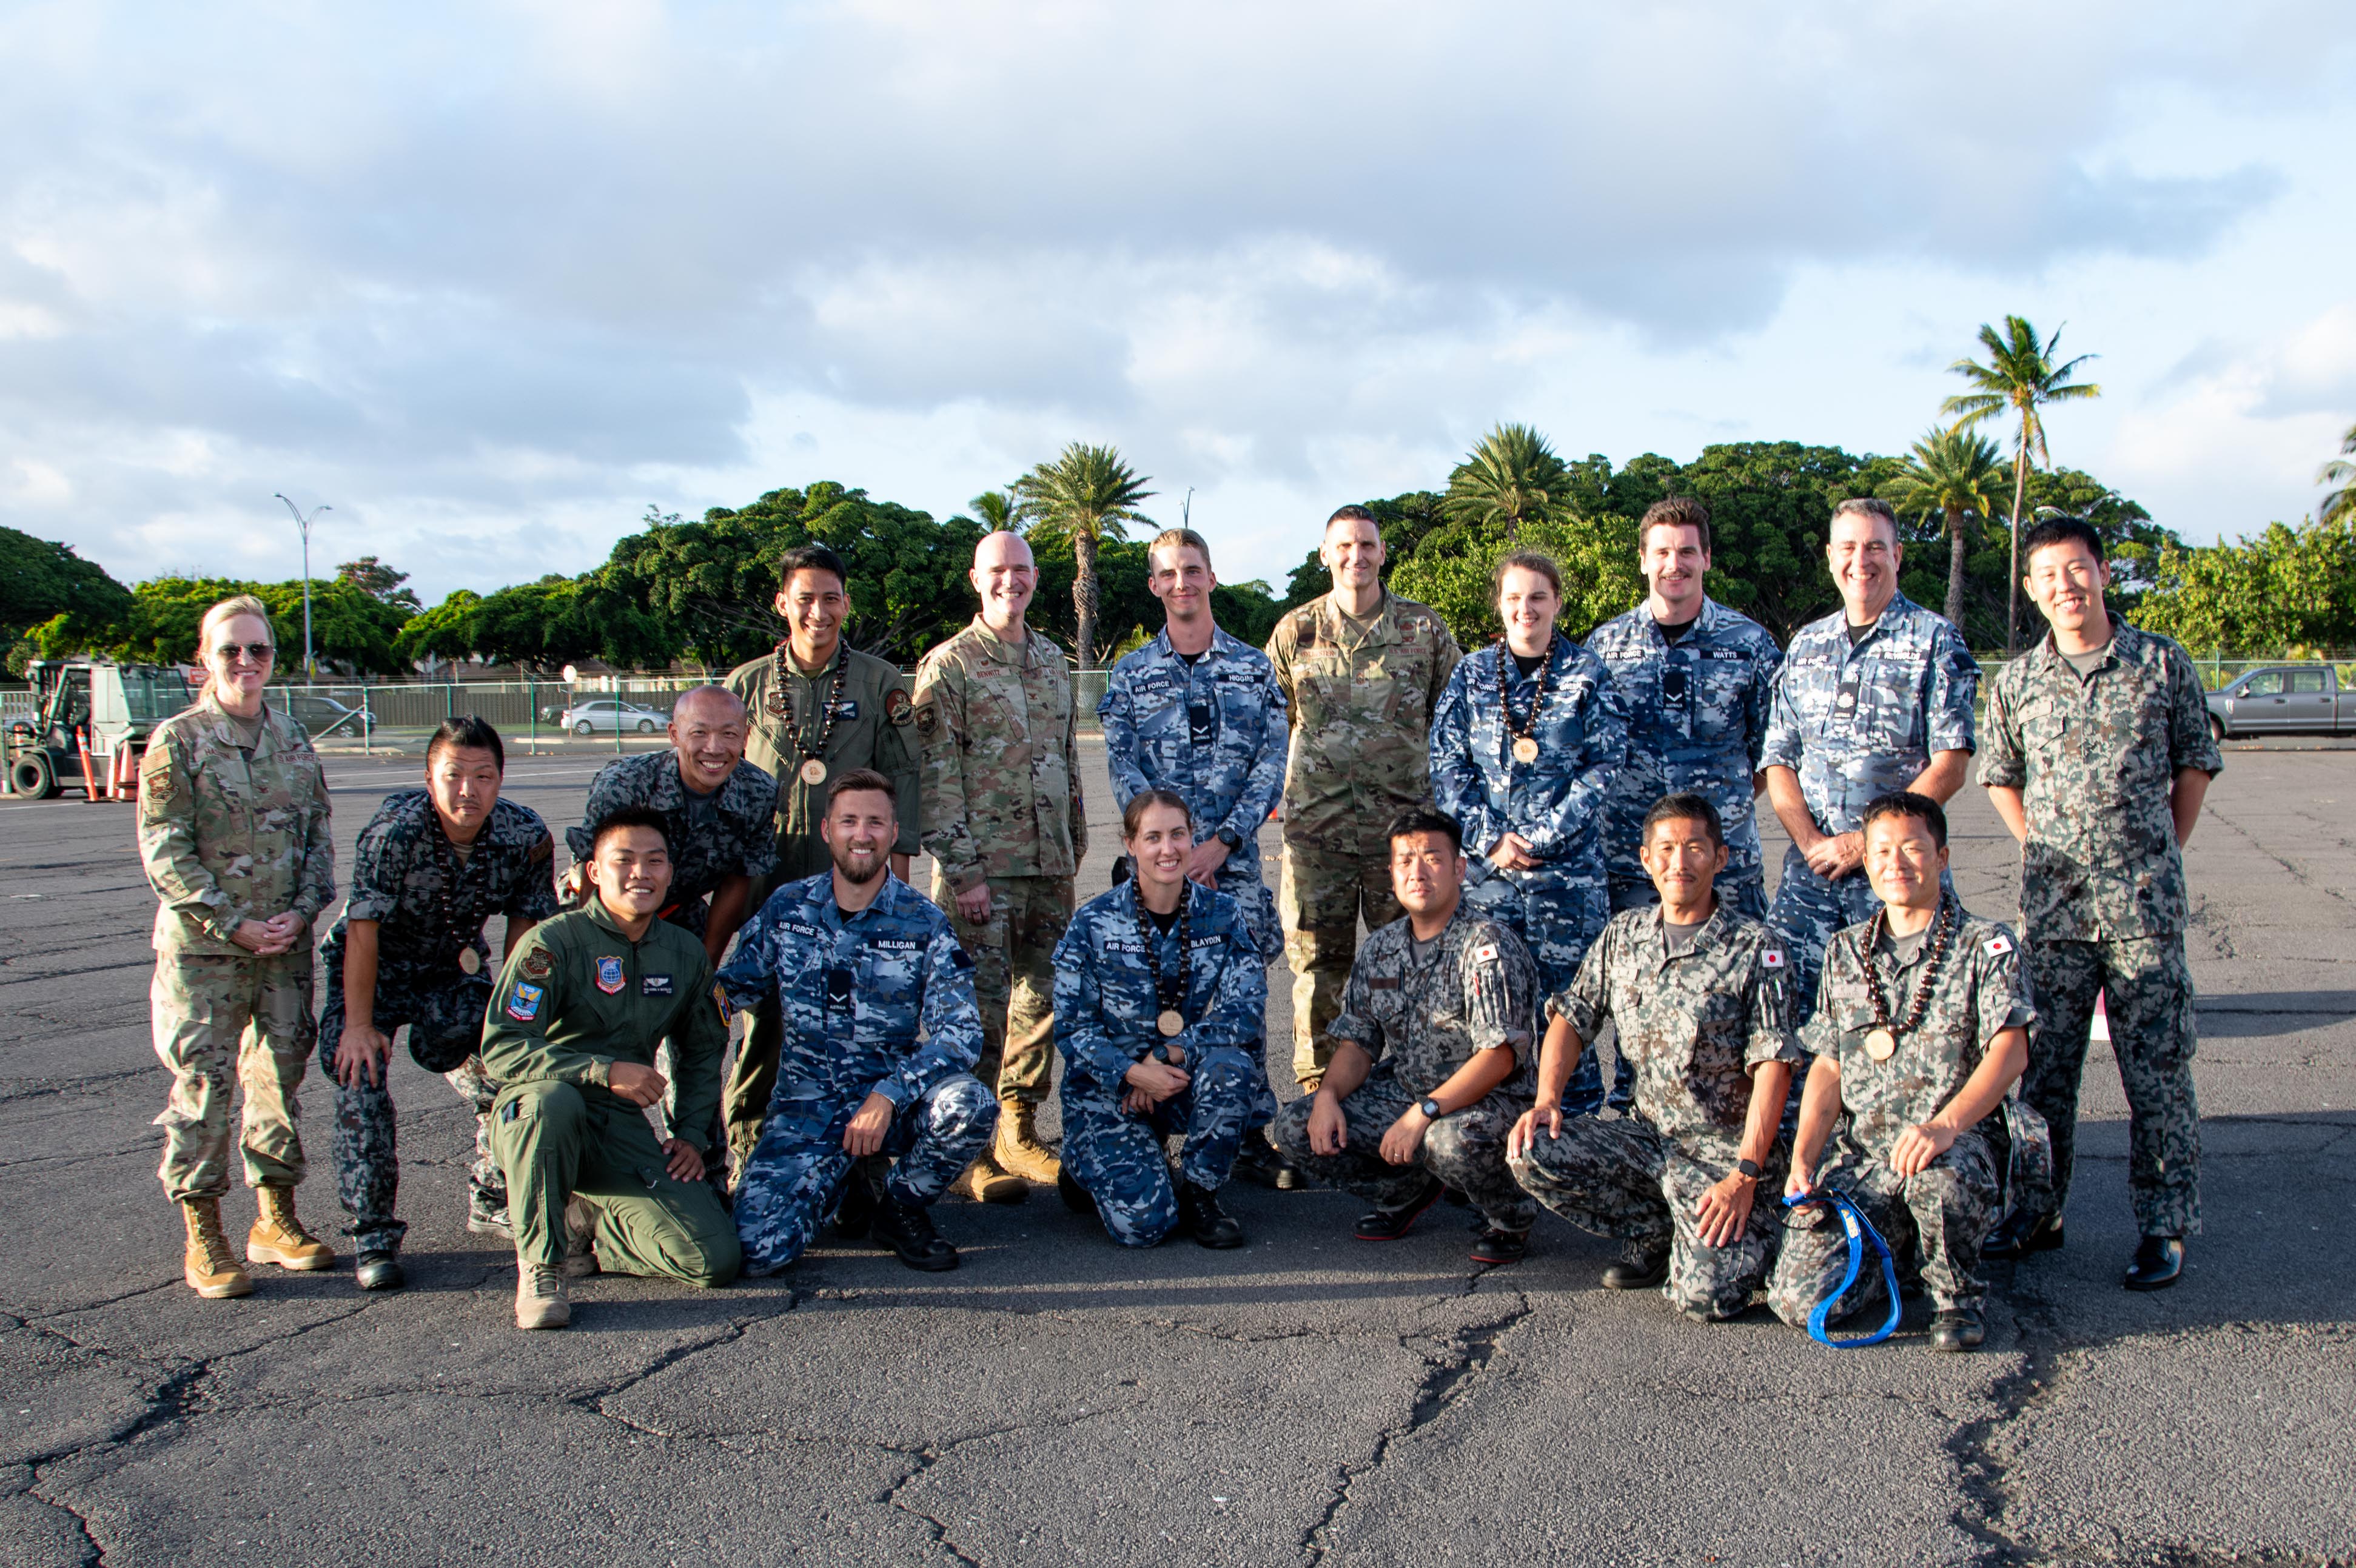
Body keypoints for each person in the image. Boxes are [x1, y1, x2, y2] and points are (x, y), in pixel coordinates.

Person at [1978, 515, 2221, 1291]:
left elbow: (2194, 767)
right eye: (2049, 575)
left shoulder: (2159, 664)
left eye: (2077, 569)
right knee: (2044, 1071)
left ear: (2103, 572)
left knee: (2156, 1069)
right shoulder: (2016, 682)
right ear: (2031, 588)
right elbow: (2001, 780)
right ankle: (2040, 1210)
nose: (2065, 586)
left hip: (2143, 908)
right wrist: (2045, 847)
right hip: (2054, 916)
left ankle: (2164, 1225)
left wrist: (2150, 851)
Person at [1508, 794, 1801, 1319]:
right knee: (1531, 1149)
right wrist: (1547, 1100)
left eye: (1694, 847)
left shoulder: (1757, 948)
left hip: (1722, 1152)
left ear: (1720, 857)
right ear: (1646, 859)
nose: (1679, 862)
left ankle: (1756, 1233)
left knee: (1705, 1299)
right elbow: (1573, 1017)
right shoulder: (1624, 935)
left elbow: (1773, 1068)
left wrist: (1745, 1174)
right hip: (1649, 1138)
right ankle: (1654, 1228)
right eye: (1665, 848)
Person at [1767, 792, 2033, 1353]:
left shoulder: (1986, 944)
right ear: (1865, 862)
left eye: (1913, 848)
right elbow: (1827, 1066)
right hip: (1865, 1153)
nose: (1896, 862)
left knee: (1939, 1180)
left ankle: (1956, 1295)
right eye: (1882, 850)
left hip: (1951, 1146)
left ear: (1942, 857)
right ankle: (1903, 1247)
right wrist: (1803, 1160)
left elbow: (2009, 1053)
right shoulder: (1844, 951)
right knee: (1800, 1301)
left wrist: (1944, 1127)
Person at [138, 594, 337, 1299]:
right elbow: (165, 852)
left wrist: (301, 912)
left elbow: (318, 839)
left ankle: (274, 1219)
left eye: (259, 651)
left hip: (283, 948)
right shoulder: (179, 742)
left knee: (279, 1081)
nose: (246, 664)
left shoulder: (292, 740)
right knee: (205, 1089)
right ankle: (205, 1233)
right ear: (205, 659)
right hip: (206, 952)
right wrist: (232, 921)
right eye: (231, 651)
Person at [719, 771, 997, 1276]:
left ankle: (898, 1210)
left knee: (969, 1105)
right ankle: (841, 1181)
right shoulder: (787, 908)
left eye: (875, 822)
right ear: (827, 830)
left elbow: (961, 1034)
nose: (862, 834)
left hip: (889, 1106)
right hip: (807, 1108)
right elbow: (728, 993)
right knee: (758, 1252)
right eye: (849, 821)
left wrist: (888, 1094)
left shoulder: (923, 921)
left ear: (893, 834)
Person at [318, 717, 561, 1289]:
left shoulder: (523, 835)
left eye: (483, 776)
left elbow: (526, 936)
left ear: (501, 780)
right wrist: (357, 1024)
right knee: (361, 1082)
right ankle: (373, 1238)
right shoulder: (394, 832)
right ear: (430, 778)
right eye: (453, 776)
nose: (467, 791)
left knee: (507, 1071)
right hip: (371, 972)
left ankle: (492, 1197)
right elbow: (362, 928)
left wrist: (518, 1021)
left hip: (450, 970)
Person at [481, 808, 740, 1329]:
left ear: (670, 873)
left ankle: (589, 1220)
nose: (640, 874)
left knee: (714, 1261)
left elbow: (702, 1050)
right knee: (552, 1103)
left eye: (654, 861)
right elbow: (504, 1047)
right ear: (594, 871)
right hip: (543, 1115)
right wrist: (604, 1070)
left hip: (616, 1126)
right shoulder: (553, 944)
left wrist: (690, 1134)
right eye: (624, 860)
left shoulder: (684, 952)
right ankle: (541, 1266)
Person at [1097, 526, 1290, 1184]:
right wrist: (1167, 845)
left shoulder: (1252, 667)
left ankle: (1246, 1131)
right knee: (1151, 993)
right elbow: (1121, 765)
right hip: (1156, 872)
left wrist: (1222, 840)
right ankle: (1150, 1117)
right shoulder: (1131, 674)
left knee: (1242, 996)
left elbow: (1272, 761)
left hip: (1230, 865)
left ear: (1212, 577)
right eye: (1169, 573)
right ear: (1155, 585)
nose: (1182, 582)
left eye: (1193, 569)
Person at [722, 543, 922, 1174]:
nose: (818, 612)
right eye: (804, 598)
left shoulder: (879, 682)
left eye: (830, 598)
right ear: (783, 603)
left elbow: (903, 783)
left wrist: (899, 891)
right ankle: (748, 1147)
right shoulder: (746, 685)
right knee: (767, 1021)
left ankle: (860, 1160)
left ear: (846, 603)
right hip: (768, 875)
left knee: (861, 1017)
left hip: (854, 879)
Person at [1272, 808, 1543, 1264]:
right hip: (1410, 1093)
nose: (1417, 872)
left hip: (1490, 1102)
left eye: (1432, 859)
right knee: (1295, 1129)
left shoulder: (1486, 944)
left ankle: (1510, 1216)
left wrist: (1423, 1114)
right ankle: (1403, 1191)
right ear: (1391, 874)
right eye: (1404, 861)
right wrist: (1327, 1097)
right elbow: (1358, 1041)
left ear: (1459, 868)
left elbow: (1499, 1057)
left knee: (1448, 1143)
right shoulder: (1382, 947)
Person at [913, 530, 1086, 1199]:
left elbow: (1067, 759)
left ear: (1036, 579)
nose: (1009, 581)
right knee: (978, 1015)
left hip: (1050, 866)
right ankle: (965, 1148)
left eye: (1020, 570)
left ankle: (1018, 1129)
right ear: (975, 578)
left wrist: (1072, 841)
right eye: (997, 570)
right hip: (981, 872)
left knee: (1040, 1005)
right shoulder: (950, 665)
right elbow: (938, 777)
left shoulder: (1050, 659)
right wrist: (964, 871)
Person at [1266, 504, 1462, 1090]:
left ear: (1382, 553)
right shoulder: (1293, 632)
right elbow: (1276, 722)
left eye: (1367, 545)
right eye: (1344, 546)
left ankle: (1408, 1091)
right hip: (1316, 841)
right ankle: (1316, 1094)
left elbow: (1451, 723)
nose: (1356, 556)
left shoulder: (1423, 631)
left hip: (1402, 845)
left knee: (1410, 967)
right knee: (1318, 971)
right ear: (1324, 554)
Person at [1760, 497, 1979, 1020]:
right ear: (1831, 557)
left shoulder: (1935, 640)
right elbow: (1778, 760)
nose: (1862, 560)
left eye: (1876, 546)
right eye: (1850, 547)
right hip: (1810, 880)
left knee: (1904, 1018)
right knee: (1791, 1019)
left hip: (1898, 875)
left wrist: (1864, 844)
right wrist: (1812, 843)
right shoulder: (1806, 645)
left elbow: (1950, 763)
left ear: (1898, 555)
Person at [1429, 551, 1627, 1113]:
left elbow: (1604, 766)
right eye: (1514, 597)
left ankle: (1577, 1126)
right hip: (1489, 877)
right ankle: (1489, 1129)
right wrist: (1491, 839)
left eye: (1538, 597)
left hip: (1566, 878)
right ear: (1499, 602)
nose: (1526, 609)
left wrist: (1537, 839)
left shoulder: (1588, 674)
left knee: (1569, 1007)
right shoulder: (1470, 675)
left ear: (1557, 602)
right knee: (1489, 1008)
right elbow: (1446, 764)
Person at [563, 685, 774, 1184]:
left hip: (682, 918)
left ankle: (703, 1165)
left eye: (728, 734)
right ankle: (587, 1168)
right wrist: (597, 962)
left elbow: (738, 878)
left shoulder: (758, 791)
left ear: (746, 737)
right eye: (699, 733)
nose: (714, 748)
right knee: (600, 1031)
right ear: (674, 734)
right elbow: (588, 876)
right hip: (603, 916)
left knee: (704, 1025)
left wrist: (702, 964)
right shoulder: (626, 784)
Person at [1053, 791, 1269, 1249]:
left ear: (1193, 839)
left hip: (1175, 1074)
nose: (1166, 849)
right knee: (1145, 1226)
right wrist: (1132, 1073)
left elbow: (1244, 1012)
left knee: (1234, 1067)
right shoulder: (1093, 923)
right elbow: (1073, 1030)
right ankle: (1081, 1163)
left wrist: (1165, 1055)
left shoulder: (1222, 914)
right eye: (1152, 837)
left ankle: (1200, 1192)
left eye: (1177, 835)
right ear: (1130, 845)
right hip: (1110, 1087)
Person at [1586, 497, 1783, 921]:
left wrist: (1725, 801)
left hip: (1723, 865)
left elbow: (1775, 750)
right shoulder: (1605, 647)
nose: (1674, 564)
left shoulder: (1749, 645)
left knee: (1732, 980)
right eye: (1661, 552)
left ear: (1706, 558)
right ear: (1642, 561)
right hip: (1628, 863)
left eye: (1686, 551)